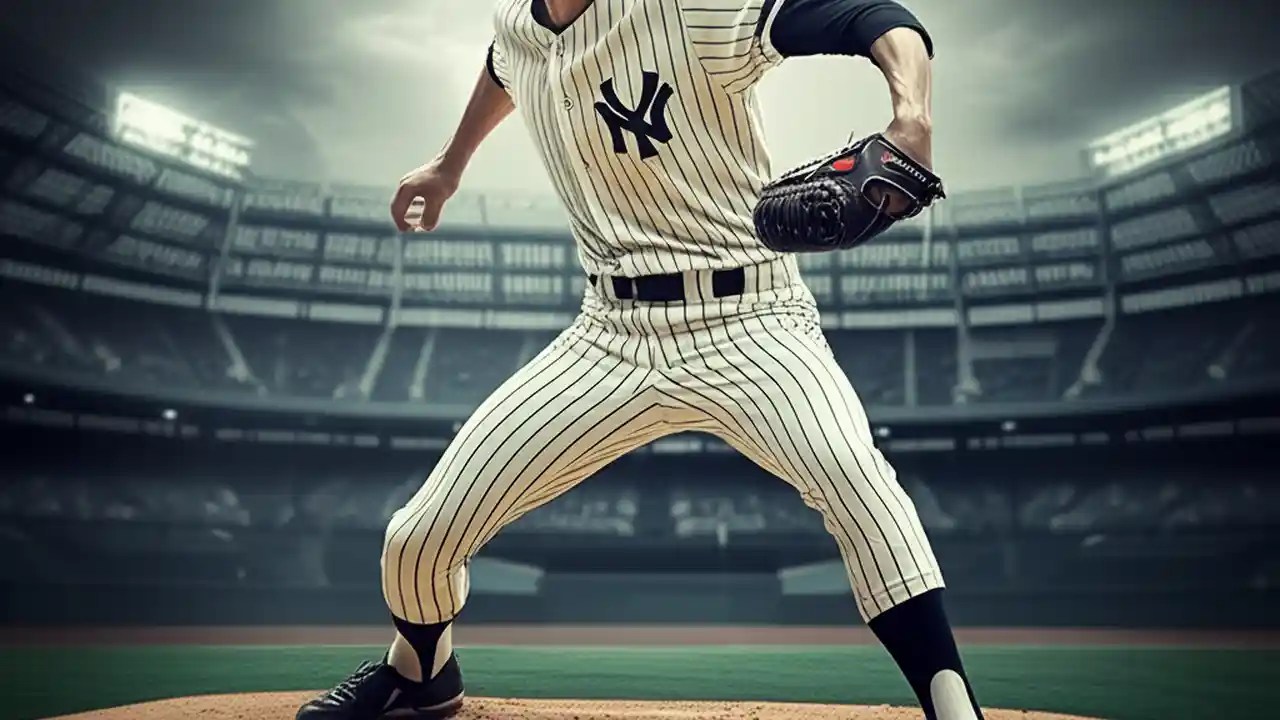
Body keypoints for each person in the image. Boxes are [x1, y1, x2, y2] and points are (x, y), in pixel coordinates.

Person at [298, 1, 982, 718]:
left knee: (857, 484)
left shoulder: (691, 9)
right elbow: (505, 65)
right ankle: (420, 673)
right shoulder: (518, 27)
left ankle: (953, 706)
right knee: (416, 541)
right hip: (609, 334)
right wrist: (449, 165)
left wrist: (913, 117)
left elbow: (871, 15)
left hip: (751, 320)